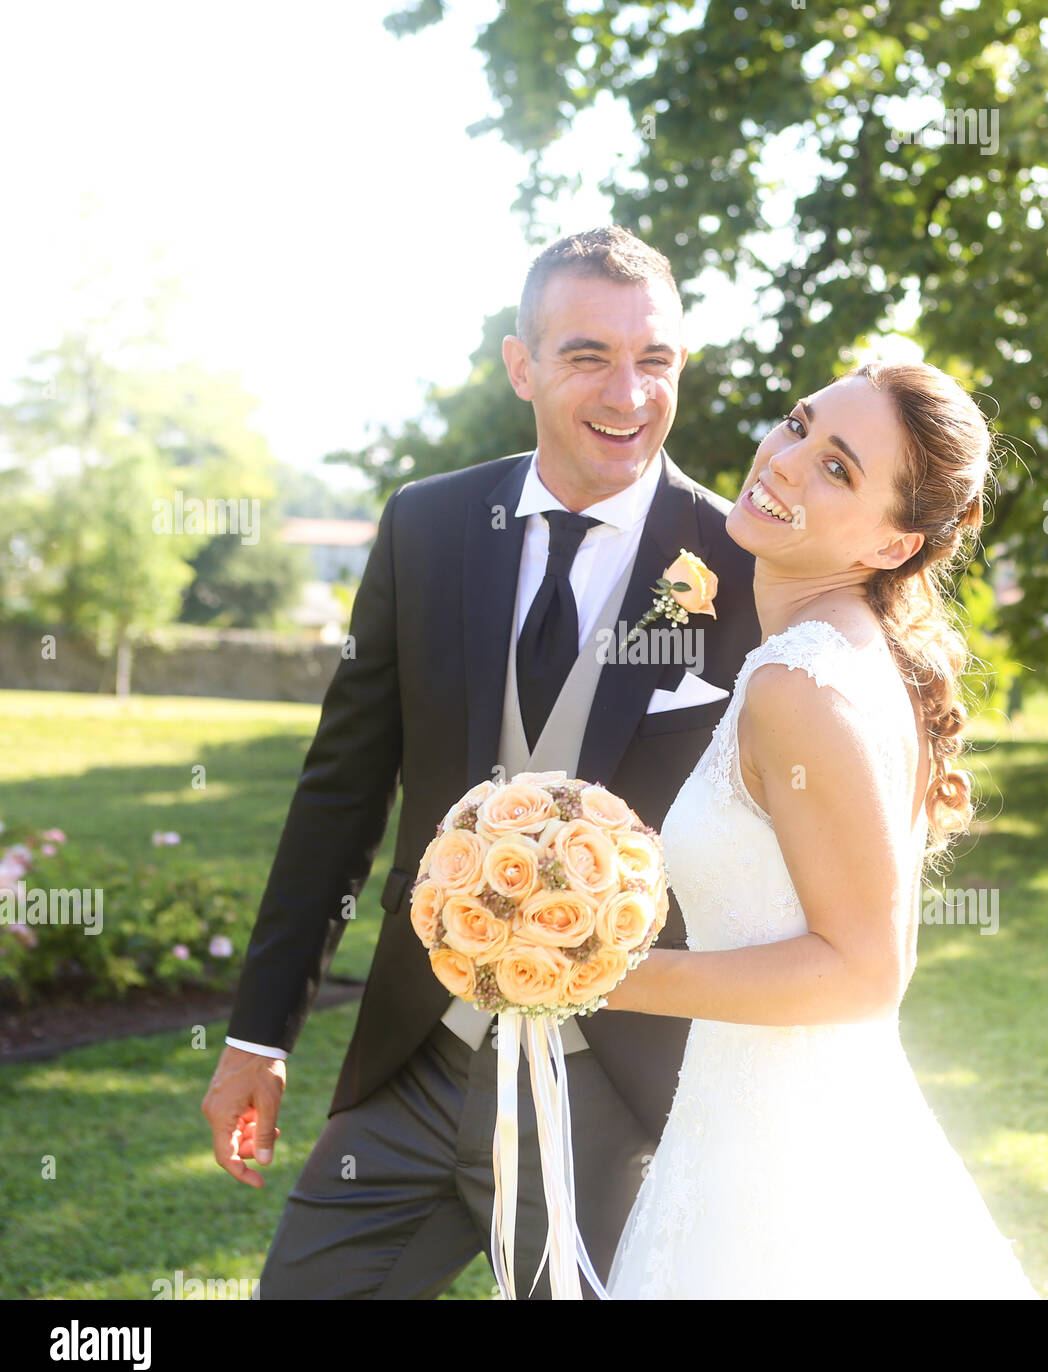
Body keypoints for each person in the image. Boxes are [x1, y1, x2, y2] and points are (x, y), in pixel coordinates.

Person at [199, 226, 762, 1298]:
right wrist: (257, 1036)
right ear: (522, 365)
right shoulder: (429, 525)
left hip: (615, 1093)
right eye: (587, 355)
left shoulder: (739, 560)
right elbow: (341, 793)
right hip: (418, 1065)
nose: (629, 392)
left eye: (656, 360)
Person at [601, 361, 1040, 1298]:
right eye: (799, 425)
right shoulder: (854, 659)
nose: (787, 461)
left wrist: (601, 975)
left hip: (785, 1168)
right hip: (770, 1123)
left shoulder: (800, 683)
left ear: (894, 545)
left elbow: (868, 969)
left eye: (839, 469)